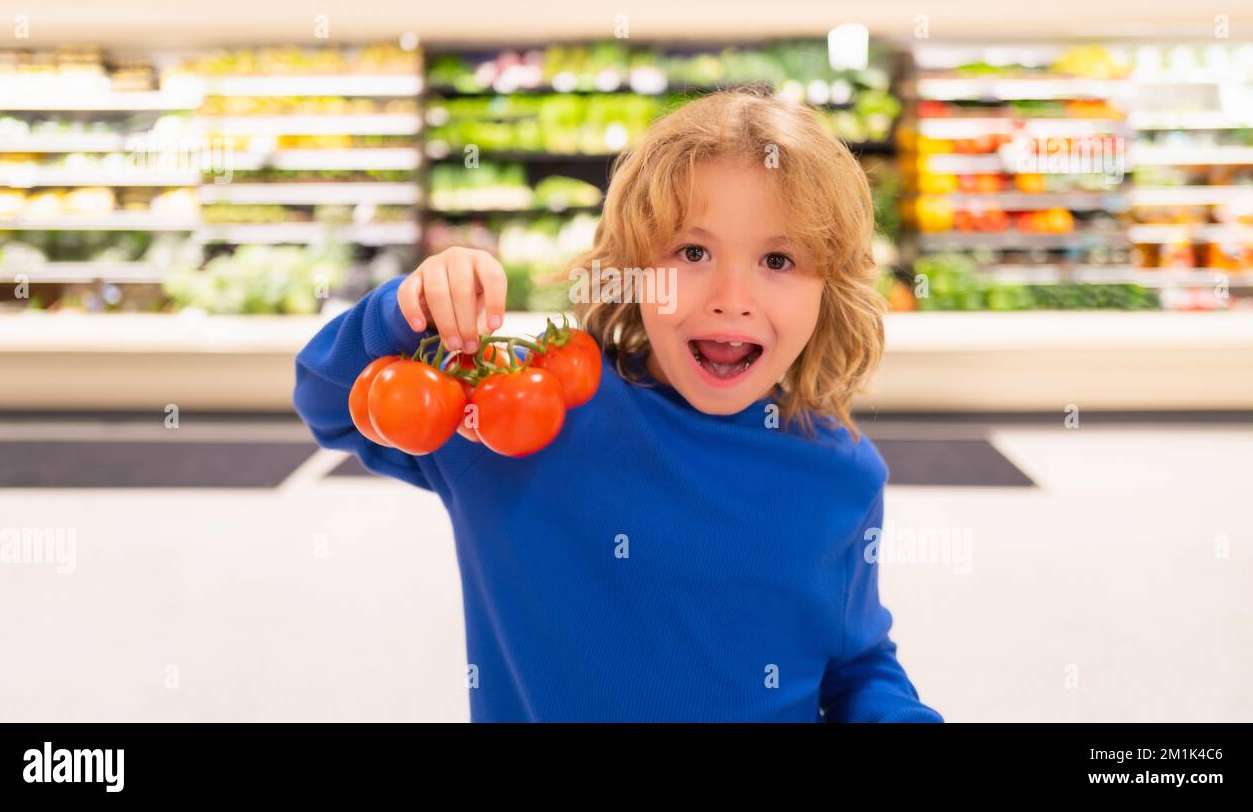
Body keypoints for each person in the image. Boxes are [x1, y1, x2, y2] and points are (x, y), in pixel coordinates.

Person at [293, 85, 944, 722]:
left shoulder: (844, 476)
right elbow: (330, 401)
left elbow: (855, 663)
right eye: (693, 251)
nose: (731, 296)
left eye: (778, 258)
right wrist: (405, 309)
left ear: (829, 291)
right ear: (633, 268)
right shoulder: (523, 414)